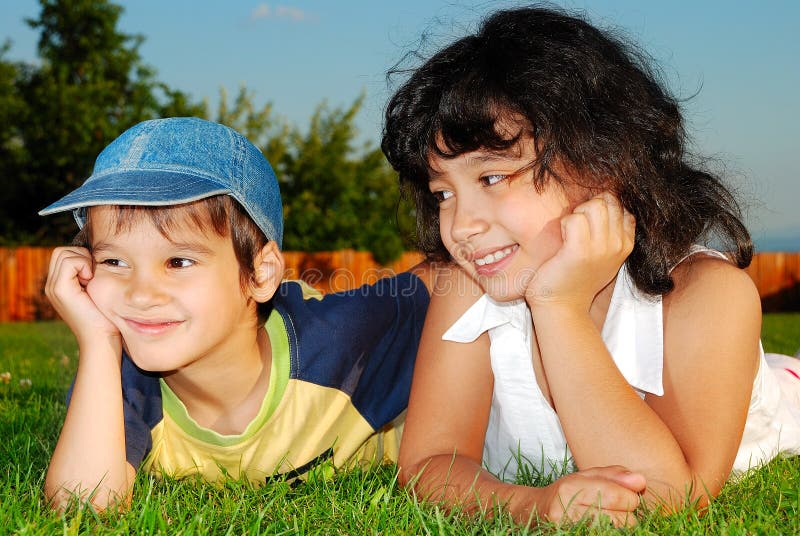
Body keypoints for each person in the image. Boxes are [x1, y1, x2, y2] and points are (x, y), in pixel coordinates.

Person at [380, 6, 800, 526]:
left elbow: (668, 497)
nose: (460, 225)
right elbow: (426, 463)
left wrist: (559, 308)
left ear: (603, 160)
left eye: (491, 178)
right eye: (443, 192)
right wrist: (532, 504)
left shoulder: (706, 296)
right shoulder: (467, 288)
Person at [41, 117, 431, 511]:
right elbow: (83, 505)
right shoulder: (119, 379)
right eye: (113, 260)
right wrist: (97, 343)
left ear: (261, 274)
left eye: (177, 261)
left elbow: (439, 278)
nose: (141, 294)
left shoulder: (341, 337)